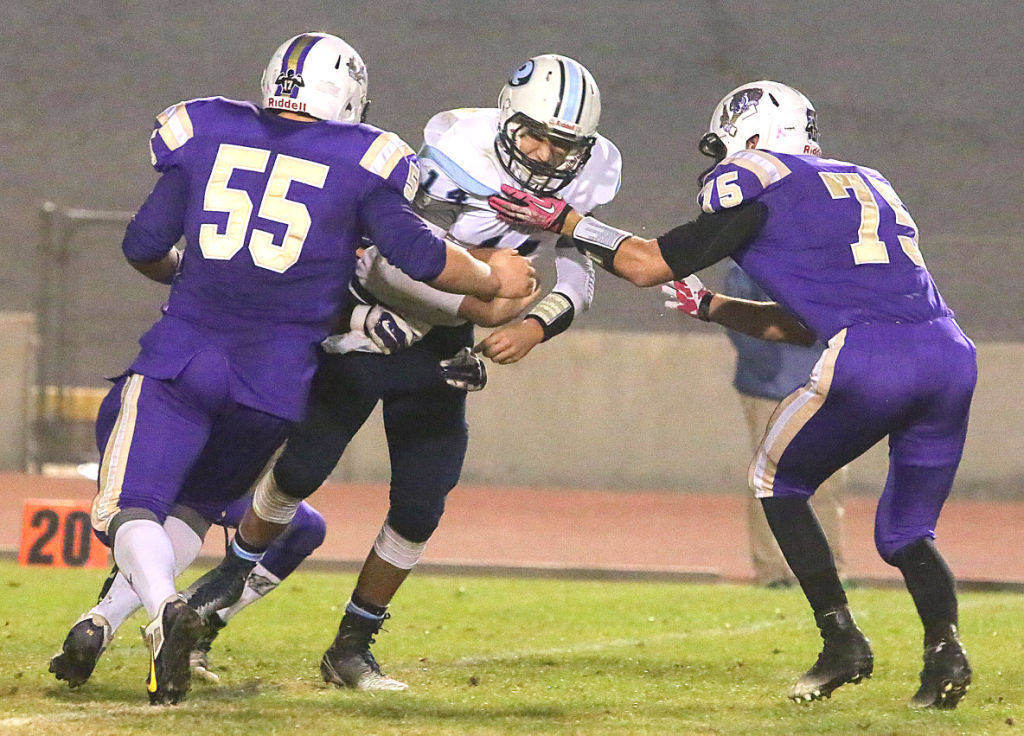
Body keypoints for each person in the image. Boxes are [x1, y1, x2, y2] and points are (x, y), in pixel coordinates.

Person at [489, 80, 976, 709]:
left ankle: (841, 641)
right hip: (948, 354)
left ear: (750, 135)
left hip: (871, 356)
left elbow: (644, 264)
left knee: (777, 480)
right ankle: (945, 654)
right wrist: (716, 306)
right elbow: (803, 322)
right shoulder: (865, 181)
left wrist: (567, 221)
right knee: (908, 531)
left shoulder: (757, 175)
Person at [81, 31, 535, 705]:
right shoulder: (365, 157)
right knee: (201, 507)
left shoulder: (203, 128)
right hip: (273, 383)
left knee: (130, 503)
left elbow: (143, 244)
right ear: (347, 95)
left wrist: (188, 272)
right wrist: (489, 275)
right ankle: (135, 620)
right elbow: (420, 255)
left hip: (187, 353)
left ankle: (162, 609)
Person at [186, 54, 621, 692]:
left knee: (421, 500)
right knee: (301, 470)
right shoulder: (451, 148)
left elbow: (580, 272)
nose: (548, 157)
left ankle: (352, 647)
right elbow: (382, 239)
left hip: (443, 336)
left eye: (564, 147)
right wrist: (473, 280)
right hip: (377, 314)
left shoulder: (589, 175)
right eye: (536, 137)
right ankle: (210, 606)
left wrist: (529, 327)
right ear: (505, 118)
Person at [50, 373, 327, 688]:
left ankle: (117, 622)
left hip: (163, 397)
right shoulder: (290, 346)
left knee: (148, 513)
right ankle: (166, 621)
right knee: (179, 509)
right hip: (190, 411)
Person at [721, 262, 846, 588]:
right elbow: (738, 316)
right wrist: (767, 369)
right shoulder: (750, 260)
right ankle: (772, 572)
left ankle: (831, 570)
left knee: (829, 480)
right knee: (770, 480)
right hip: (770, 388)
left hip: (823, 382)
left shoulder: (830, 253)